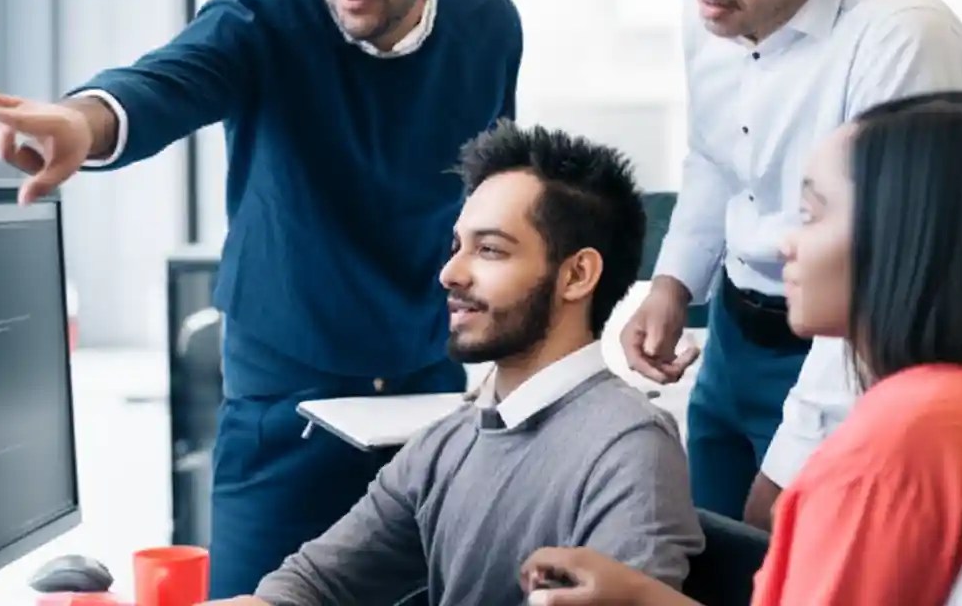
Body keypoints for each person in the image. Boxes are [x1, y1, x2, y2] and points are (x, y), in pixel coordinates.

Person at [0, 0, 523, 597]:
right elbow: (158, 86)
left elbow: (498, 194)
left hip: (427, 399)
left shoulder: (489, 25)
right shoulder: (260, 21)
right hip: (282, 412)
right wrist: (82, 123)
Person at [521, 91, 962, 606]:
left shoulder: (894, 447)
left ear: (898, 234)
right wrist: (638, 594)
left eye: (811, 214)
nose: (783, 243)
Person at [208, 122, 704, 606]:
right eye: (455, 247)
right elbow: (318, 582)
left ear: (577, 275)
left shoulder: (630, 450)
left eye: (489, 250)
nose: (450, 273)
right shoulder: (449, 441)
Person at [621, 0, 962, 525]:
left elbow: (881, 281)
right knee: (704, 555)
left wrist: (790, 470)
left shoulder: (906, 41)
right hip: (734, 333)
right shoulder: (713, 4)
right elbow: (714, 154)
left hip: (847, 353)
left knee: (780, 568)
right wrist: (674, 283)